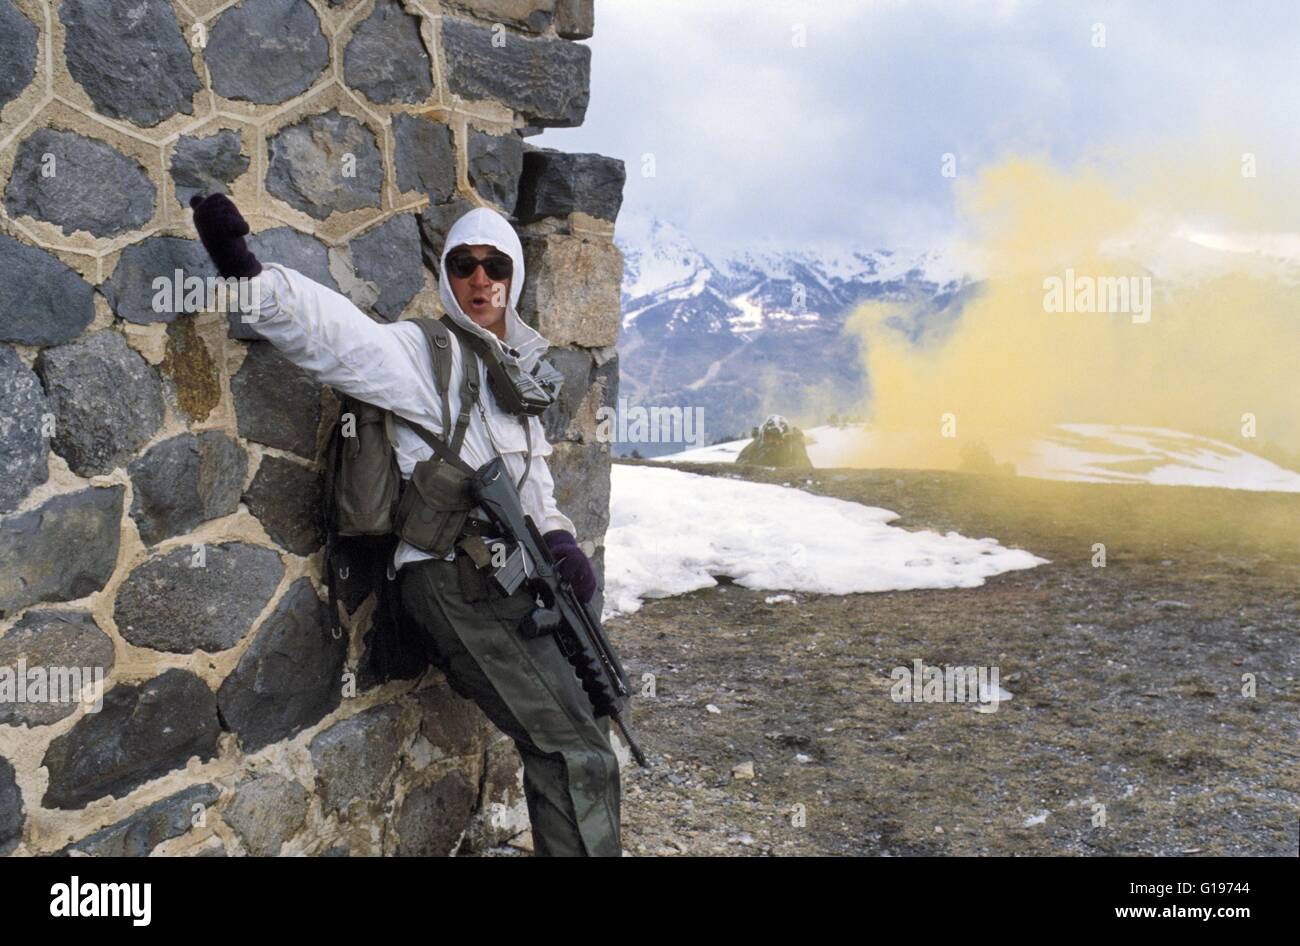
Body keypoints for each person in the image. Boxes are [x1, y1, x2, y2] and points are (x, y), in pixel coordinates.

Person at [190, 193, 622, 857]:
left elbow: (532, 484)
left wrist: (560, 539)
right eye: (464, 265)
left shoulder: (514, 379)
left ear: (515, 279)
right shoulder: (424, 355)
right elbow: (336, 337)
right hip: (456, 581)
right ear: (447, 277)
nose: (481, 279)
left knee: (585, 726)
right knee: (573, 749)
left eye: (496, 266)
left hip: (513, 584)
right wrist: (248, 273)